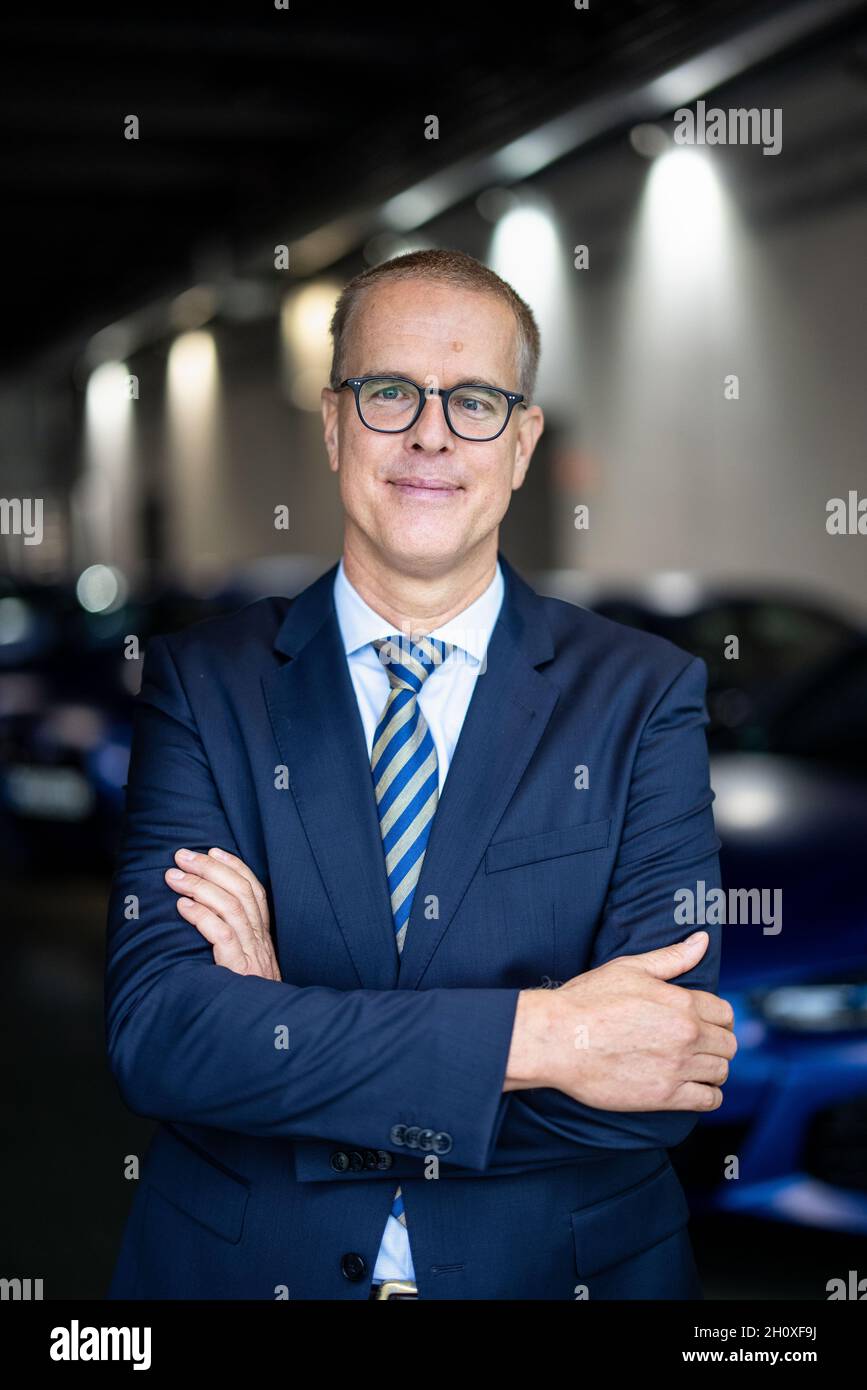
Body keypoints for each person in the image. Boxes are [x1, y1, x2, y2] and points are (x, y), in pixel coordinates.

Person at [105, 248, 735, 1301]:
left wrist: (282, 1030)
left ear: (524, 440)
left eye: (477, 399)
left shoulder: (644, 695)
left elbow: (663, 1075)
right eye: (391, 391)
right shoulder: (201, 685)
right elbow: (161, 1036)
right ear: (334, 421)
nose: (432, 433)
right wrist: (549, 1033)